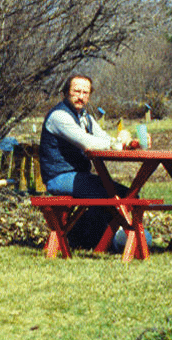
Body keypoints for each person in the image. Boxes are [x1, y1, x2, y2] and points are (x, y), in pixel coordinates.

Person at [39, 73, 140, 249]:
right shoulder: (59, 117)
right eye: (76, 91)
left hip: (79, 176)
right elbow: (86, 142)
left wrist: (127, 143)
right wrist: (117, 144)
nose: (81, 96)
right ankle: (105, 243)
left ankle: (106, 241)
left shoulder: (85, 117)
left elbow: (103, 138)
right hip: (59, 178)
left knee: (127, 194)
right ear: (65, 93)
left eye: (85, 93)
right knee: (117, 195)